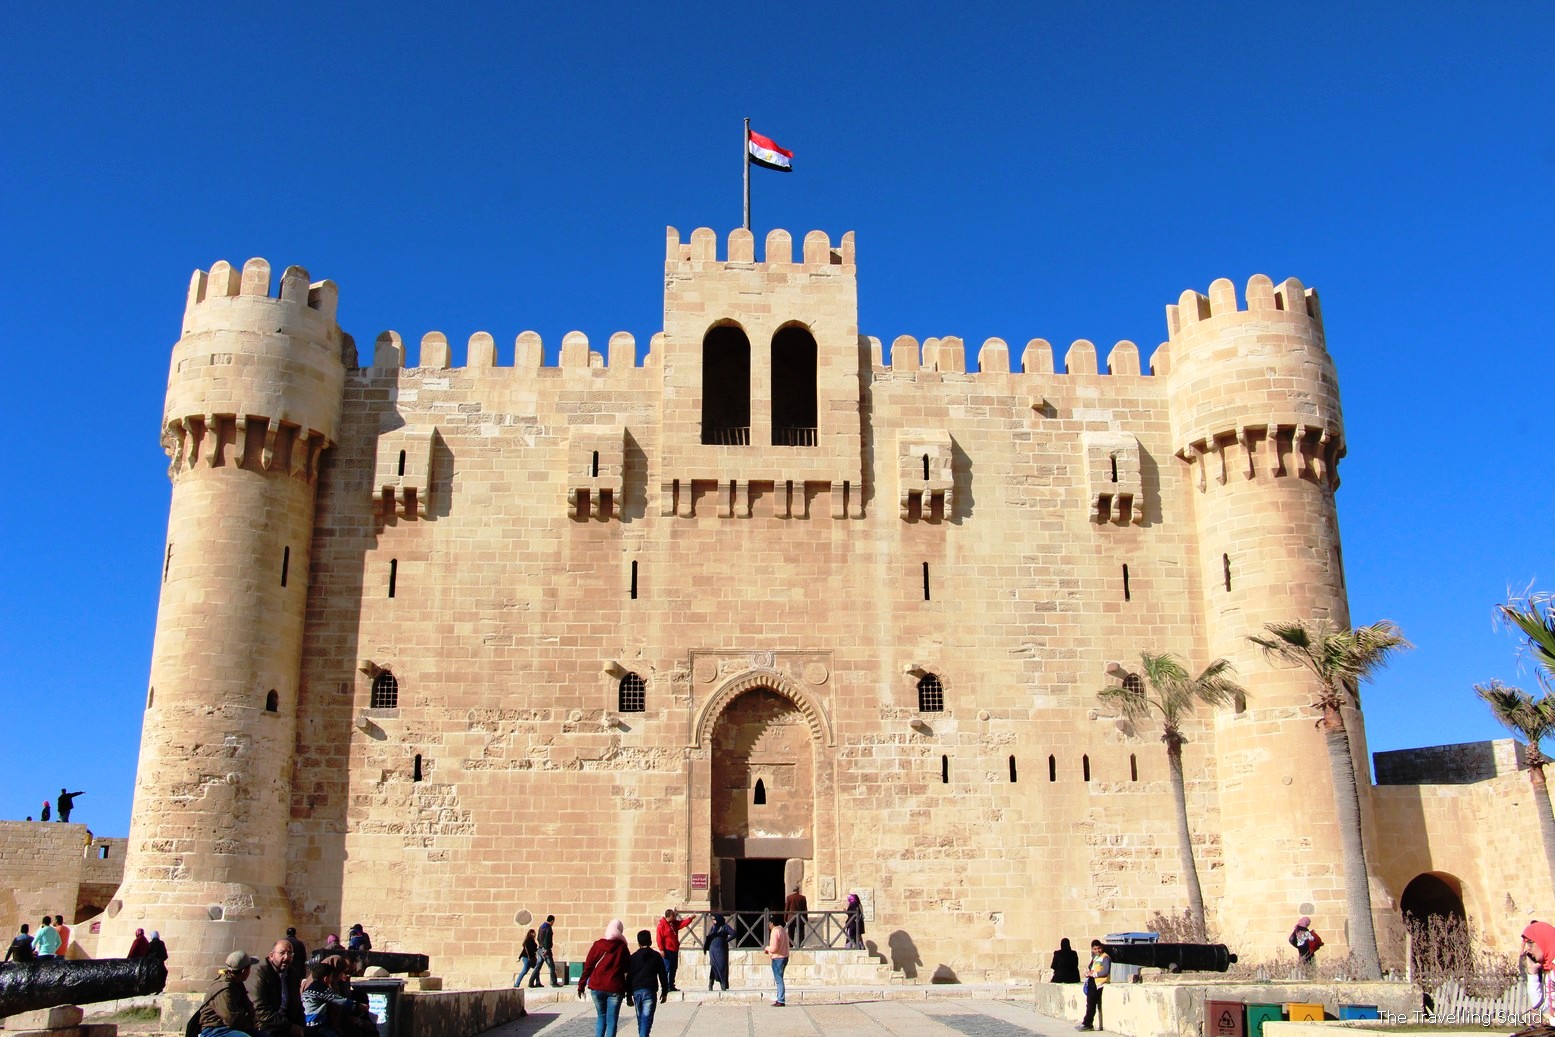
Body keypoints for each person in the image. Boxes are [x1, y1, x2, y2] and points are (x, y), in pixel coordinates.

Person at [577, 920, 631, 1037]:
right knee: (612, 1021)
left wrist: (581, 985)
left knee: (601, 1017)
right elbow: (627, 968)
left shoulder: (597, 945)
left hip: (597, 986)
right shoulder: (622, 947)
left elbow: (588, 966)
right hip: (615, 987)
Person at [246, 939, 304, 1037]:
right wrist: (290, 1027)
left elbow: (297, 1004)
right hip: (267, 1025)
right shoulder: (260, 973)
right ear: (271, 955)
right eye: (282, 953)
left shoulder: (292, 973)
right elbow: (260, 1009)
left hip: (288, 1023)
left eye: (290, 953)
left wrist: (301, 1026)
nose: (286, 957)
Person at [197, 951, 259, 1037]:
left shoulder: (237, 983)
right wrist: (250, 1024)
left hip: (235, 1027)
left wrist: (253, 1021)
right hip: (215, 1029)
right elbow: (231, 1019)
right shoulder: (224, 989)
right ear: (244, 971)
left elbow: (247, 1006)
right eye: (249, 968)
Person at [626, 929, 670, 1037]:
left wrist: (628, 996)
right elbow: (663, 975)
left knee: (641, 1020)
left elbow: (629, 977)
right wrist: (664, 992)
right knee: (646, 1020)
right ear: (650, 942)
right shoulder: (656, 956)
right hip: (649, 991)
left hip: (637, 991)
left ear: (638, 943)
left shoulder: (633, 957)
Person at [301, 960, 356, 1037]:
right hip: (318, 1026)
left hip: (306, 1025)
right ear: (326, 978)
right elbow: (340, 1001)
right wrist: (357, 1006)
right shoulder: (324, 990)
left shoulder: (308, 989)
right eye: (331, 977)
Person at [654, 909, 694, 993]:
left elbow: (682, 924)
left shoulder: (674, 923)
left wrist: (690, 918)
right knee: (666, 968)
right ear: (669, 916)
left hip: (674, 949)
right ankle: (665, 986)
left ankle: (671, 985)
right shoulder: (662, 925)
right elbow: (659, 938)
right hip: (667, 950)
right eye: (673, 915)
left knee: (673, 968)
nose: (675, 917)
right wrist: (661, 949)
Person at [1523, 921, 1555, 1026]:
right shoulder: (1549, 968)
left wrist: (1548, 1021)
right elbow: (1542, 1007)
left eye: (1530, 943)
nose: (1527, 949)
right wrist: (1532, 973)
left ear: (1543, 940)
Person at [1077, 939, 1110, 1031]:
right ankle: (1086, 1023)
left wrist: (1094, 974)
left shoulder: (1105, 957)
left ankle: (1088, 1024)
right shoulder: (1095, 957)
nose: (1097, 950)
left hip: (1098, 983)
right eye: (1095, 949)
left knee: (1091, 1004)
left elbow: (1105, 971)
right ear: (1092, 949)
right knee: (1089, 1003)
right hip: (1092, 982)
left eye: (1099, 948)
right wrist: (1088, 973)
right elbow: (1092, 968)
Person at [764, 916, 790, 1007]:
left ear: (772, 923)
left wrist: (767, 948)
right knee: (780, 979)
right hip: (784, 956)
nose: (768, 925)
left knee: (779, 980)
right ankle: (780, 998)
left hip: (778, 958)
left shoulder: (775, 932)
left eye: (769, 923)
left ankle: (781, 1000)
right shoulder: (782, 930)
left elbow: (774, 948)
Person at [705, 914, 734, 991]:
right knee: (720, 966)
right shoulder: (718, 927)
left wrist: (725, 940)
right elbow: (733, 934)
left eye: (715, 920)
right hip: (716, 948)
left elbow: (734, 934)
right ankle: (721, 984)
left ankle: (712, 984)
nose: (714, 921)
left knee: (716, 965)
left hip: (717, 949)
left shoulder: (722, 926)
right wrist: (725, 940)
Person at [537, 915, 562, 986]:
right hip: (546, 950)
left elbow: (538, 938)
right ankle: (554, 982)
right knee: (551, 966)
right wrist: (546, 949)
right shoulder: (548, 928)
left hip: (540, 949)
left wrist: (541, 946)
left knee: (537, 967)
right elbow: (547, 939)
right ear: (552, 921)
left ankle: (531, 981)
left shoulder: (541, 927)